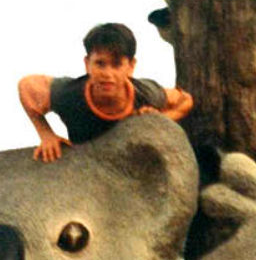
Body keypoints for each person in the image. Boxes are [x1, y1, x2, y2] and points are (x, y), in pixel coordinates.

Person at [18, 22, 193, 162]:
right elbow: (27, 85)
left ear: (131, 67)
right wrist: (46, 134)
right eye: (100, 64)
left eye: (117, 64)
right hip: (86, 168)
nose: (107, 74)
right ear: (87, 64)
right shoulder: (69, 95)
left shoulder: (146, 94)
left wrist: (160, 119)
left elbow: (185, 100)